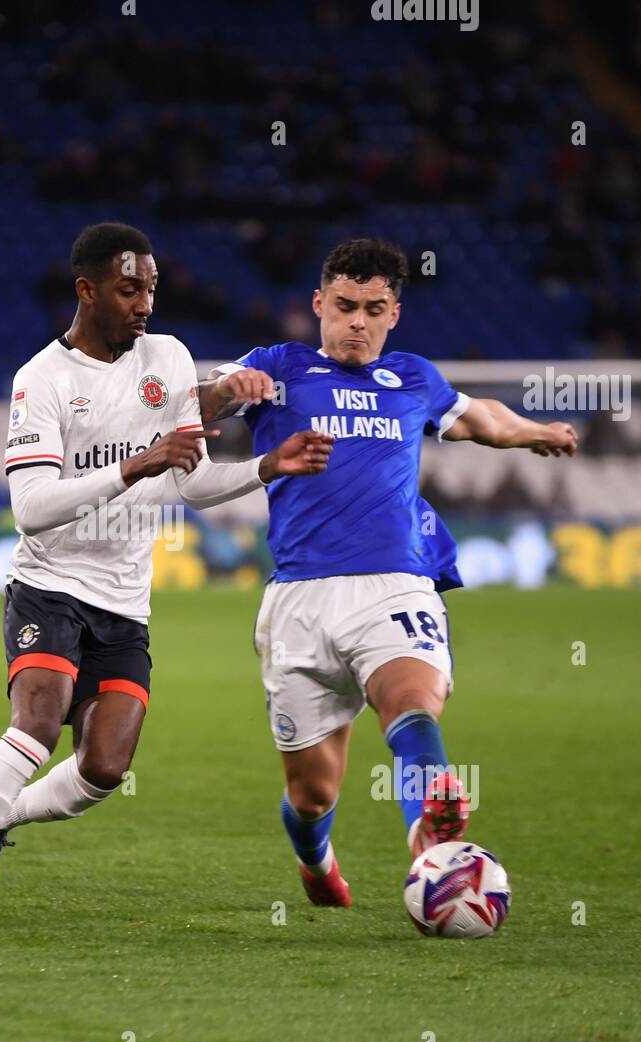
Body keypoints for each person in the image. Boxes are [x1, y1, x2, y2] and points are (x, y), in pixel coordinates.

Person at [0, 222, 333, 936]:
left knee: (104, 768)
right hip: (50, 586)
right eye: (130, 289)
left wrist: (265, 467)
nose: (144, 303)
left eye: (152, 289)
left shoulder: (167, 358)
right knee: (36, 724)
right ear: (87, 289)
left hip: (125, 603)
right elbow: (31, 508)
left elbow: (189, 485)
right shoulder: (42, 380)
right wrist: (133, 464)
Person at [199, 238, 578, 907]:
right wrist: (231, 389)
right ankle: (315, 858)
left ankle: (429, 838)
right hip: (299, 599)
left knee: (411, 699)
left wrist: (532, 430)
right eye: (344, 306)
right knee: (312, 792)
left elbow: (479, 417)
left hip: (396, 583)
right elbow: (199, 406)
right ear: (318, 304)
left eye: (374, 308)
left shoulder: (411, 378)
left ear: (393, 314)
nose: (358, 321)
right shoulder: (278, 366)